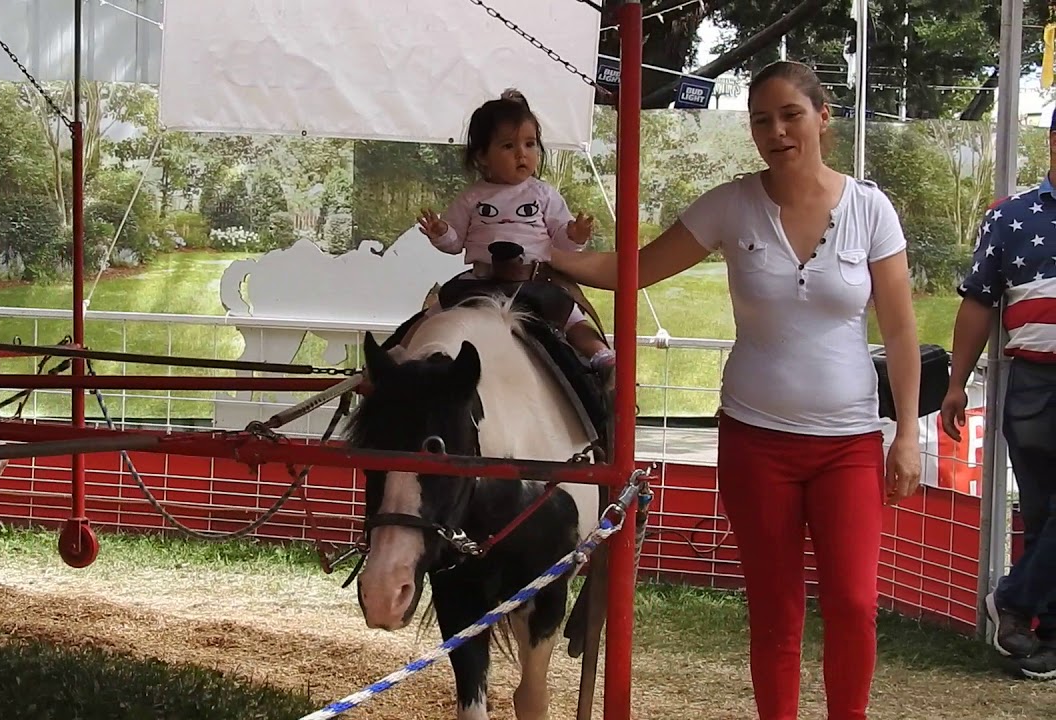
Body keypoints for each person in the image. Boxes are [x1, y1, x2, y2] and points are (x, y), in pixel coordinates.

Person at [550, 60, 923, 719]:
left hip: (849, 444)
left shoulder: (871, 210)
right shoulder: (732, 204)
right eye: (761, 120)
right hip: (756, 443)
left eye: (790, 115)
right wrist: (546, 252)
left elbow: (899, 331)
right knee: (775, 608)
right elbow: (632, 270)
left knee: (854, 605)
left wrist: (909, 436)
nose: (776, 131)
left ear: (822, 117)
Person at [940, 110, 1056, 682]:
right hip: (1035, 381)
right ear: (1053, 142)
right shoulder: (1012, 218)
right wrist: (957, 383)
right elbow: (979, 301)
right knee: (1040, 512)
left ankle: (1014, 605)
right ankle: (1041, 635)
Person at [412, 89, 615, 373]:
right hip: (481, 279)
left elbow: (562, 241)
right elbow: (455, 243)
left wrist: (575, 234)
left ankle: (600, 354)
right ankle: (400, 353)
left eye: (530, 144)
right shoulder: (471, 197)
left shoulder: (543, 194)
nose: (522, 154)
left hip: (534, 278)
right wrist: (441, 232)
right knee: (432, 315)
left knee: (572, 318)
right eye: (508, 146)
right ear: (482, 156)